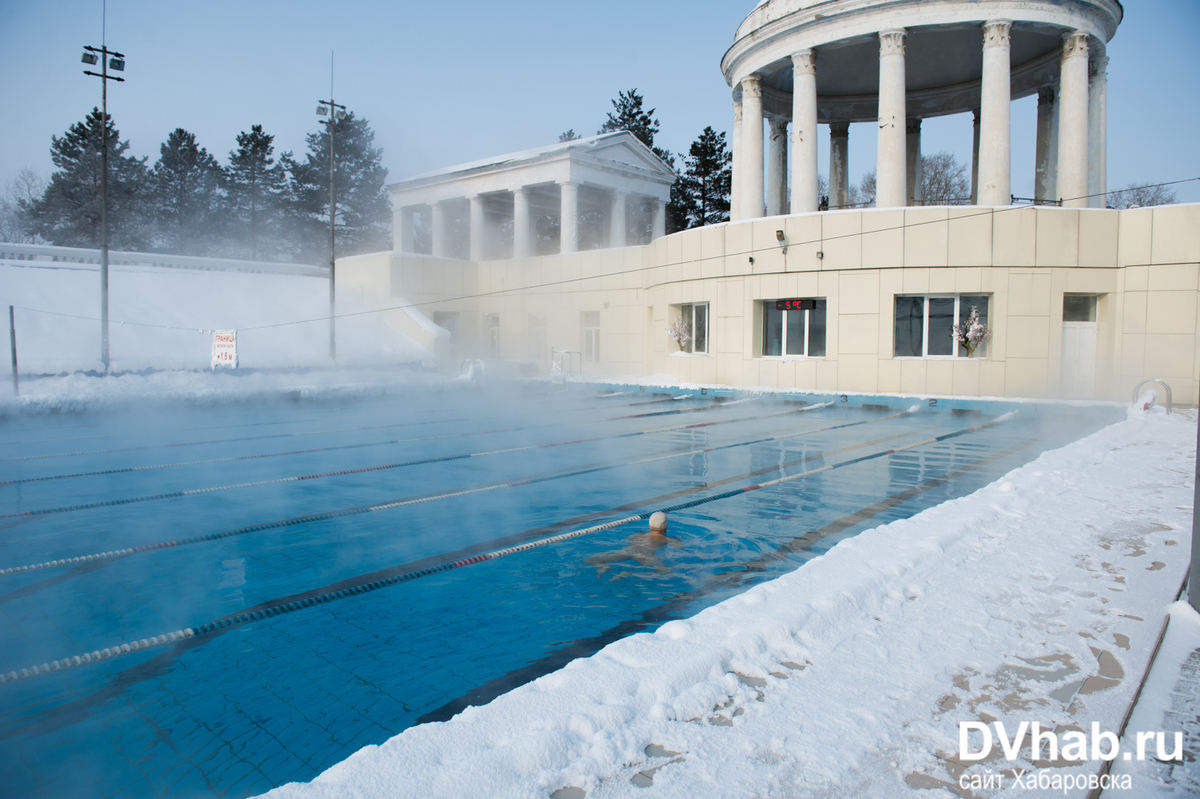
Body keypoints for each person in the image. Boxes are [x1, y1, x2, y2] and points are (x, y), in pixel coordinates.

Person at [586, 511, 683, 580]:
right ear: (666, 528)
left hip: (627, 551)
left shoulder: (638, 534)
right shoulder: (667, 539)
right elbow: (679, 547)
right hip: (644, 555)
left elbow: (626, 540)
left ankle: (602, 565)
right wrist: (679, 540)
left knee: (590, 560)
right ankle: (630, 573)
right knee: (666, 571)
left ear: (649, 526)